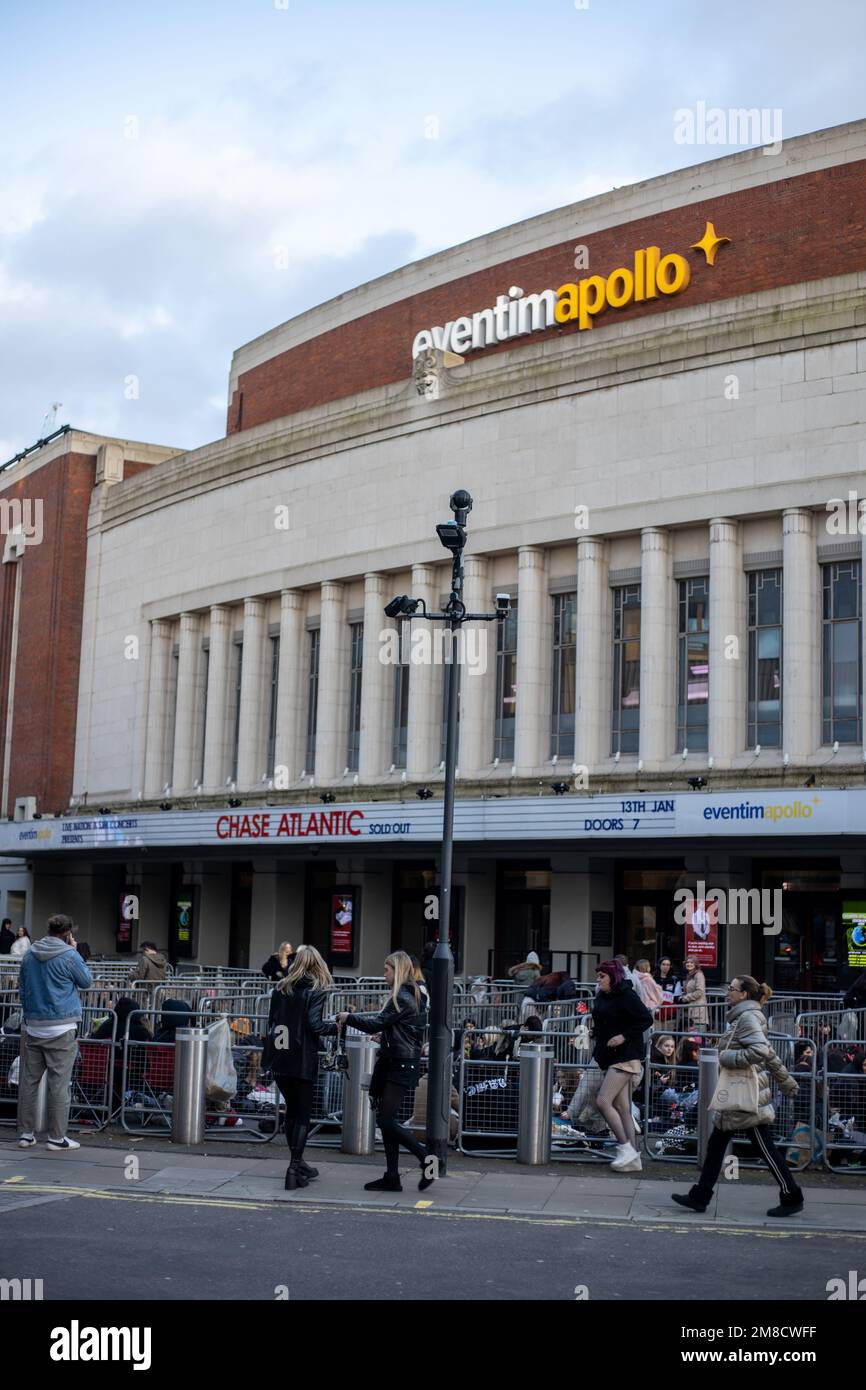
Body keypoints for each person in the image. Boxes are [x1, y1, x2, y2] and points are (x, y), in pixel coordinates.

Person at [672, 976, 803, 1218]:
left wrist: (726, 1058)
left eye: (731, 989)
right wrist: (786, 1081)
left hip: (747, 1096)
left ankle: (792, 1195)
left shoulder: (748, 1017)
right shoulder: (742, 1017)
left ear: (743, 995)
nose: (727, 993)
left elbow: (759, 1051)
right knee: (716, 1146)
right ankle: (700, 1197)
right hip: (738, 1095)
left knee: (765, 1149)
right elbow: (770, 1054)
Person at [339, 950, 431, 1193]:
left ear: (397, 970)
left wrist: (348, 1017)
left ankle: (427, 1158)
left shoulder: (401, 996)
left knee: (386, 1121)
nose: (384, 974)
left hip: (401, 1063)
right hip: (396, 1060)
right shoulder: (411, 993)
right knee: (386, 1118)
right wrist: (387, 1035)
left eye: (386, 969)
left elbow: (375, 1023)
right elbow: (403, 1028)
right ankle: (392, 1176)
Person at [260, 944, 338, 1190]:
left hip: (280, 1057)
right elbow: (314, 1025)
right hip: (303, 1059)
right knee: (303, 1113)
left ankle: (299, 1162)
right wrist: (337, 1027)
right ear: (317, 965)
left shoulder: (280, 989)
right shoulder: (316, 990)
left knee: (292, 1111)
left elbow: (274, 1023)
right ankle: (294, 1167)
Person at [16, 913, 94, 1151]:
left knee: (28, 1082)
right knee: (59, 1084)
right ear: (68, 933)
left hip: (33, 1025)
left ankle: (26, 1134)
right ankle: (57, 1137)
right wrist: (75, 951)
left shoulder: (30, 954)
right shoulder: (70, 955)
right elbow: (86, 981)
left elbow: (22, 987)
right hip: (62, 1027)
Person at [591, 959, 653, 1172]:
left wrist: (623, 1036)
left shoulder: (627, 995)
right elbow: (603, 1021)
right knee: (623, 1108)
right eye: (598, 976)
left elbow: (646, 1019)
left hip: (625, 1056)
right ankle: (633, 1157)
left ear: (613, 977)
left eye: (602, 976)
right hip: (611, 1056)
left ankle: (625, 1148)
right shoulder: (603, 995)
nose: (598, 980)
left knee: (603, 1101)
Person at [680, 957, 708, 1028]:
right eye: (687, 962)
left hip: (698, 1009)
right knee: (691, 1036)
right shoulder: (689, 976)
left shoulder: (699, 975)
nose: (689, 964)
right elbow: (688, 991)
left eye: (691, 962)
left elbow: (699, 991)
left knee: (697, 1035)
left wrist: (685, 998)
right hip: (691, 1008)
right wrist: (682, 996)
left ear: (696, 964)